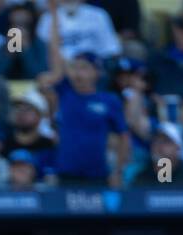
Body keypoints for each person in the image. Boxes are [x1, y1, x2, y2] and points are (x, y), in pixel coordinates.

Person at [41, 6, 128, 188]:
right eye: (74, 67)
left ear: (97, 72)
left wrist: (118, 171)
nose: (77, 73)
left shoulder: (109, 100)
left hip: (98, 176)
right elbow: (54, 51)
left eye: (84, 68)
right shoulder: (65, 91)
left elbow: (123, 138)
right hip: (66, 175)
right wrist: (55, 13)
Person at [35, 0, 120, 63]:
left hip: (95, 66)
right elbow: (43, 51)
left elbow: (111, 48)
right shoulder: (47, 18)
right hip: (62, 68)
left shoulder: (98, 14)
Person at [128, 123, 183, 187]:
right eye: (155, 140)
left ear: (178, 148)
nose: (159, 145)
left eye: (166, 141)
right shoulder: (141, 178)